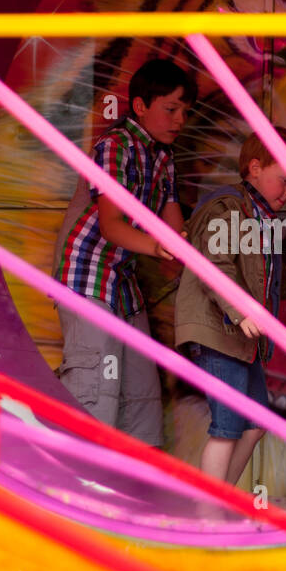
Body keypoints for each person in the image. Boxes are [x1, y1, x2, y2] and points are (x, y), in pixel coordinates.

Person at [54, 58, 194, 447]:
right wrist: (159, 246)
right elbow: (110, 225)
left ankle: (134, 491)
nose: (180, 119)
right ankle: (82, 490)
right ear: (139, 107)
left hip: (122, 283)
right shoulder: (115, 147)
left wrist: (188, 251)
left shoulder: (164, 159)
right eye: (171, 109)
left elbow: (173, 229)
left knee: (142, 396)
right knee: (96, 386)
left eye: (185, 111)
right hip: (87, 277)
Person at [174, 128, 286, 484]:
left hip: (241, 337)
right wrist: (242, 311)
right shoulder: (227, 206)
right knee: (229, 425)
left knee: (254, 423)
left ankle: (222, 499)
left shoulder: (260, 217)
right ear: (254, 168)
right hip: (220, 329)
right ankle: (210, 511)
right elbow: (215, 264)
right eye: (284, 180)